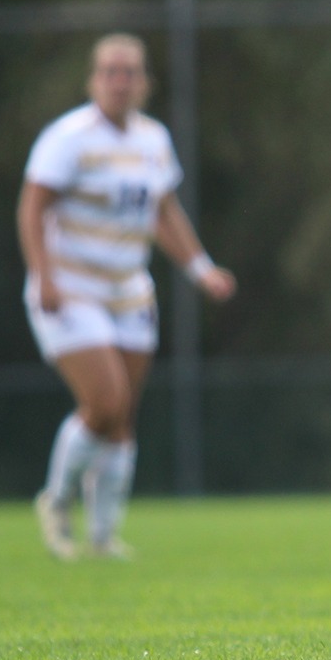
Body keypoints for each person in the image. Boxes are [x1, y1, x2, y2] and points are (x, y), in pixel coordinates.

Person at [21, 33, 236, 560]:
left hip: (130, 292)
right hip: (73, 289)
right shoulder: (68, 137)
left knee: (123, 417)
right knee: (104, 402)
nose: (120, 82)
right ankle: (56, 500)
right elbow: (32, 208)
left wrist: (201, 269)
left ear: (145, 82)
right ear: (93, 79)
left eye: (130, 72)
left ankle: (102, 535)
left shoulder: (153, 139)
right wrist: (43, 275)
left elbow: (163, 212)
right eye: (110, 72)